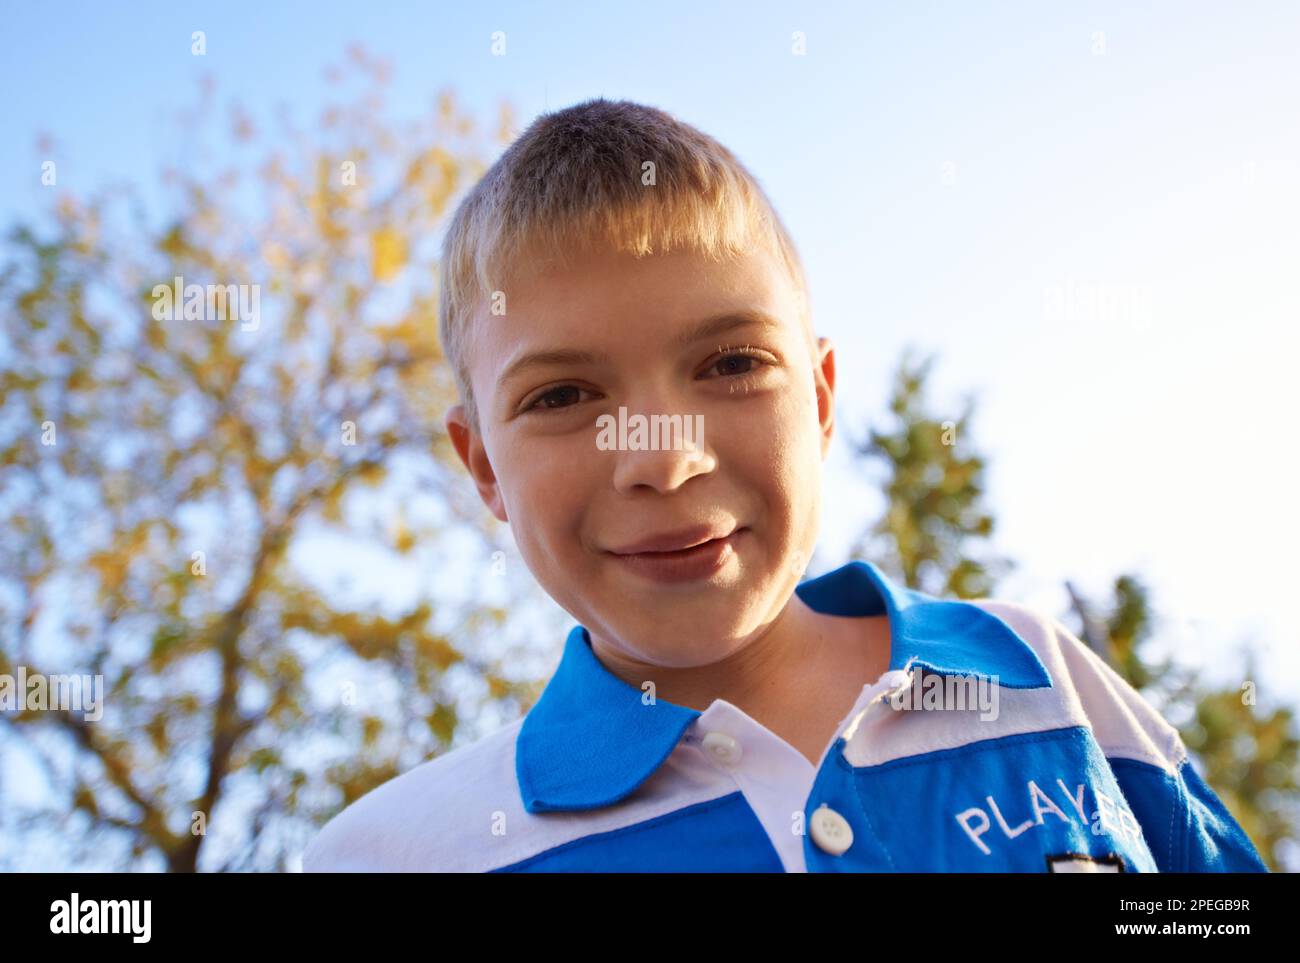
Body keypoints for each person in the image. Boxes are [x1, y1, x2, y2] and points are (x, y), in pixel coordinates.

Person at [303, 98, 1268, 872]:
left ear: (819, 396)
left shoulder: (1035, 677)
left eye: (729, 364)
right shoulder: (394, 854)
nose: (665, 457)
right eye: (563, 393)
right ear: (483, 468)